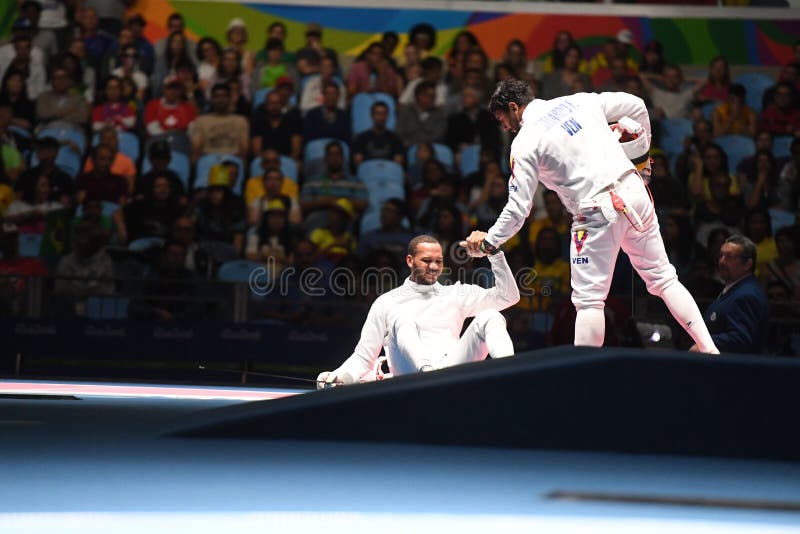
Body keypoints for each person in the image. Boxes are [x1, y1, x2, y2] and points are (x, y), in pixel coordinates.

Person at [463, 78, 719, 353]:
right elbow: (637, 105)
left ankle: (584, 373)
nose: (504, 127)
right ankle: (709, 349)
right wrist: (642, 160)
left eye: (502, 120)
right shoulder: (579, 100)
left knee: (589, 302)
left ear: (514, 107)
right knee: (663, 279)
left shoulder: (525, 143)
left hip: (597, 210)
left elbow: (518, 210)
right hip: (634, 192)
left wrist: (489, 241)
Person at [316, 234, 519, 387]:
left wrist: (493, 252)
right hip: (409, 379)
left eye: (438, 261)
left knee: (491, 316)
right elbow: (363, 358)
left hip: (449, 372)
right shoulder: (387, 302)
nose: (434, 267)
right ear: (409, 261)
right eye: (426, 260)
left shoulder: (455, 294)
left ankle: (511, 376)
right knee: (402, 319)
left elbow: (508, 296)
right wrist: (337, 376)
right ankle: (427, 375)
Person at [697, 235, 769, 354]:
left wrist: (704, 344)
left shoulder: (747, 295)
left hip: (733, 364)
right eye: (721, 255)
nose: (721, 261)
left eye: (729, 257)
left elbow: (740, 338)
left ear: (747, 264)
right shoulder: (735, 288)